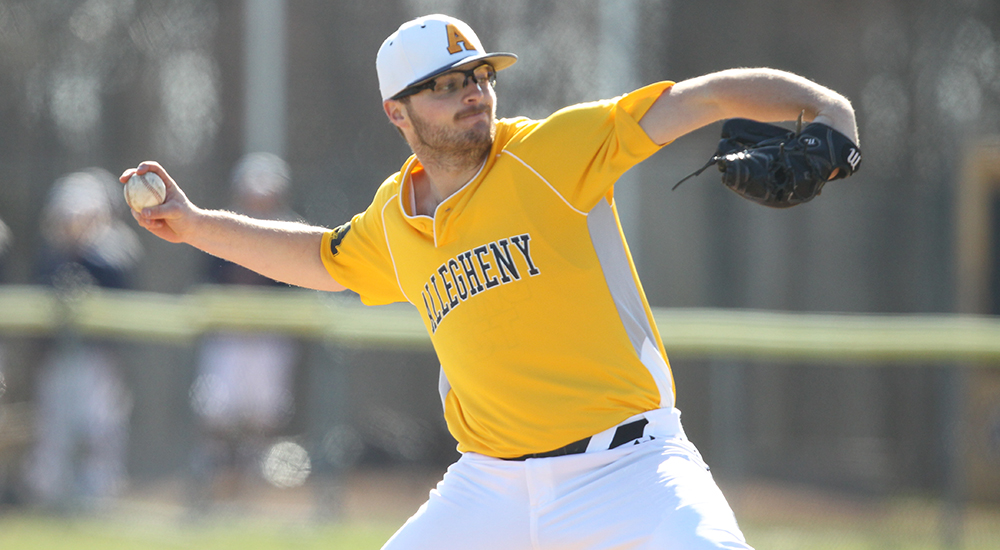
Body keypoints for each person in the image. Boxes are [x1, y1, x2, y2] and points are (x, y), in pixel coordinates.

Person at [121, 14, 857, 549]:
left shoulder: (553, 152)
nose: (472, 93)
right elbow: (321, 258)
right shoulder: (395, 217)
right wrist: (192, 225)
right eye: (443, 85)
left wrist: (830, 111)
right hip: (489, 489)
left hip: (630, 471)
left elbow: (709, 96)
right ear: (397, 113)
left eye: (477, 76)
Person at [188, 153, 300, 507]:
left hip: (269, 340)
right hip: (228, 338)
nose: (259, 201)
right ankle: (214, 483)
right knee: (216, 413)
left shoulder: (292, 231)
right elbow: (205, 282)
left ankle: (252, 488)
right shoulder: (220, 229)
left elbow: (296, 290)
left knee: (262, 416)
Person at [28, 170, 140, 511]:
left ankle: (98, 499)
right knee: (54, 430)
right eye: (67, 217)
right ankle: (50, 498)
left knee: (100, 430)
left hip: (99, 360)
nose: (73, 224)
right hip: (59, 360)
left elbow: (118, 281)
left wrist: (80, 252)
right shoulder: (50, 257)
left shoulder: (114, 252)